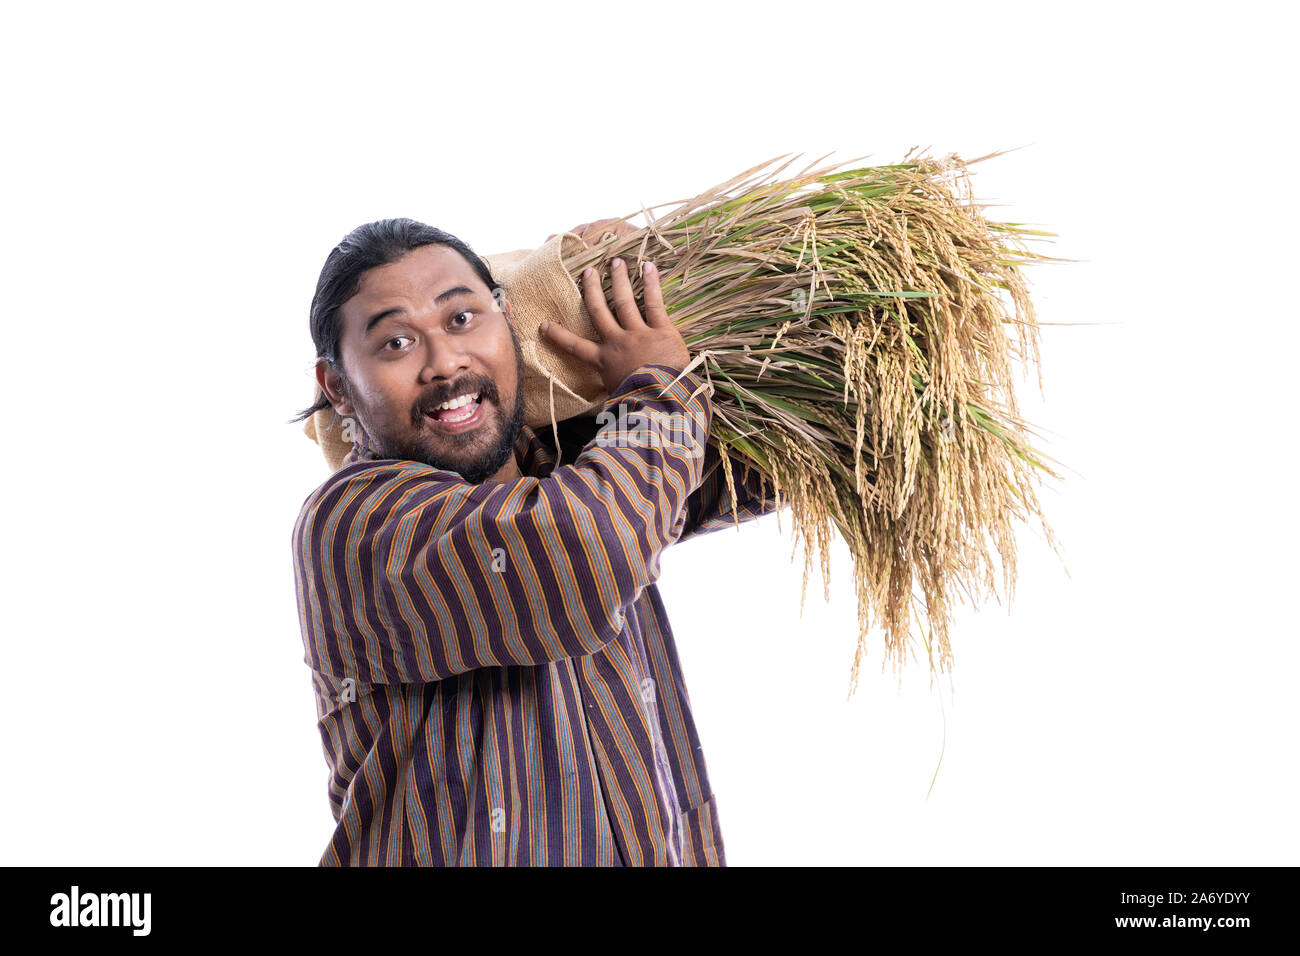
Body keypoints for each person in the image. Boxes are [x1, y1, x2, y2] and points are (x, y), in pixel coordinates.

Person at [289, 217, 782, 866]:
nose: (446, 362)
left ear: (509, 327)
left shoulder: (564, 470)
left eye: (463, 319)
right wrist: (660, 383)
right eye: (397, 342)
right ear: (337, 389)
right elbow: (593, 545)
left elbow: (753, 472)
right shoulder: (356, 524)